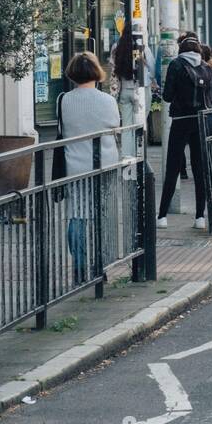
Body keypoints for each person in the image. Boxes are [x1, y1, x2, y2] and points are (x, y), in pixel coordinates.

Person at [55, 52, 121, 278]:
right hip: (105, 163)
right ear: (96, 72)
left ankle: (80, 267)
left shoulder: (63, 100)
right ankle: (101, 263)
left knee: (77, 214)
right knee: (102, 213)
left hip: (75, 166)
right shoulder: (108, 101)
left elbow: (62, 130)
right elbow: (115, 125)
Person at [157, 33, 212, 230]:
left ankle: (162, 216)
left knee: (173, 168)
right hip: (200, 121)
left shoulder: (176, 65)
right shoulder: (206, 68)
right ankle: (200, 217)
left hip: (180, 121)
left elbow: (167, 97)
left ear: (181, 50)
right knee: (200, 169)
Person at [111, 28, 155, 157]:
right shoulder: (143, 47)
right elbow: (152, 68)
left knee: (126, 125)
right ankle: (139, 157)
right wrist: (150, 78)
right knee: (140, 125)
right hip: (141, 90)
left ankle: (126, 156)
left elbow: (113, 68)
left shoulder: (117, 46)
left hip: (124, 89)